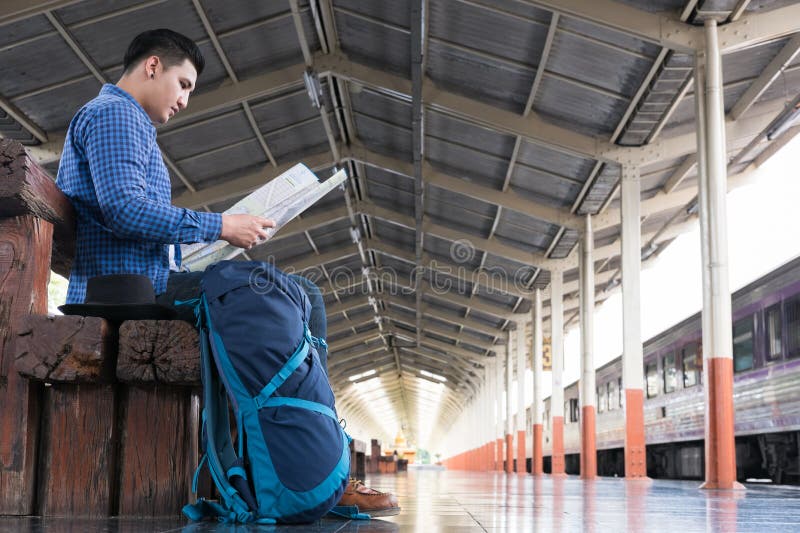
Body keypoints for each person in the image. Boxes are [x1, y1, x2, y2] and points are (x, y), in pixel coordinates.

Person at [56, 28, 399, 518]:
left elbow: (130, 215)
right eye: (185, 83)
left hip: (142, 277)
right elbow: (125, 210)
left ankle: (308, 464)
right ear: (153, 66)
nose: (185, 101)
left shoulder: (125, 121)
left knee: (291, 295)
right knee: (300, 294)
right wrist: (222, 225)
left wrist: (210, 242)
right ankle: (323, 469)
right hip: (130, 288)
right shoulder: (115, 115)